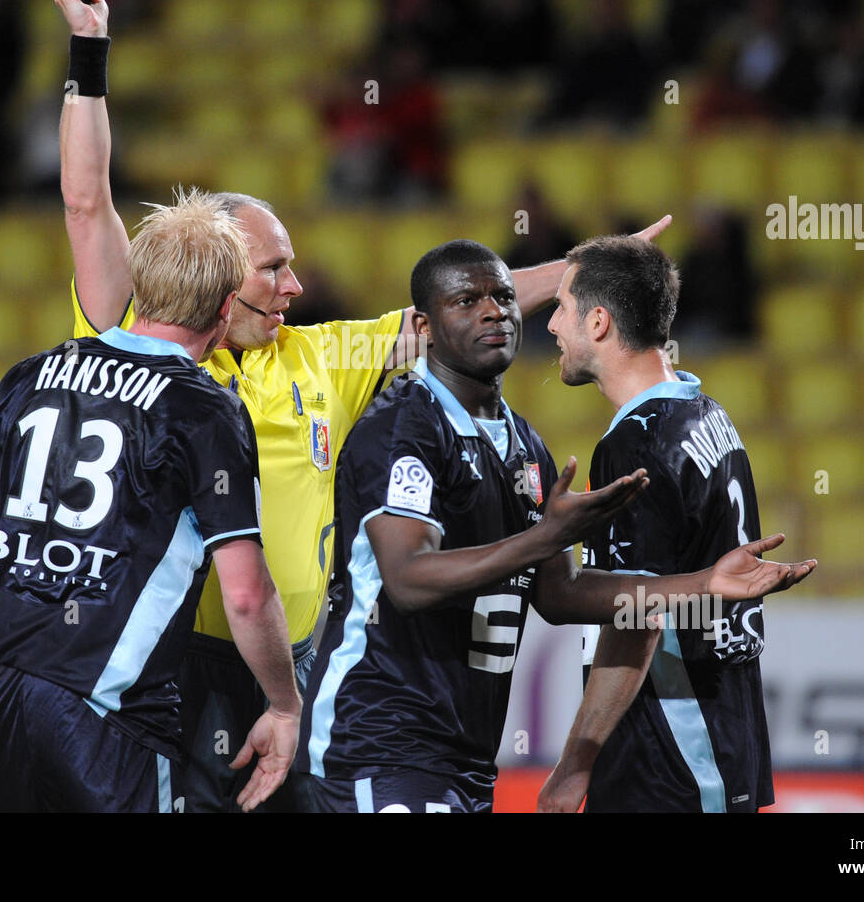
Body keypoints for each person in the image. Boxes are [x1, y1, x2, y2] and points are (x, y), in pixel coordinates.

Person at [0, 0, 670, 812]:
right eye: (275, 268)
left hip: (298, 669)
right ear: (219, 275)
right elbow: (87, 205)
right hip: (185, 668)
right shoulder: (155, 344)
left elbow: (472, 299)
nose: (296, 284)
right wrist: (90, 53)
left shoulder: (323, 358)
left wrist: (590, 268)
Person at [296, 240, 816, 813]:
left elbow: (561, 594)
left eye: (503, 297)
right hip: (379, 742)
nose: (495, 311)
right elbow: (408, 579)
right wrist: (545, 537)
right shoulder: (402, 427)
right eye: (467, 300)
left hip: (464, 758)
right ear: (423, 326)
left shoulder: (527, 447)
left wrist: (701, 583)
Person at [0, 190, 301, 813]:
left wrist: (28, 647)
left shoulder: (30, 375)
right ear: (223, 305)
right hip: (108, 711)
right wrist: (284, 704)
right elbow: (245, 593)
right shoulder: (205, 408)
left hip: (0, 689)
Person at [540, 235, 793, 813]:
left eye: (560, 307)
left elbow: (636, 619)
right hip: (727, 737)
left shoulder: (637, 442)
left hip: (672, 753)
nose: (551, 325)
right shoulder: (703, 410)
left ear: (598, 322)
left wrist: (574, 765)